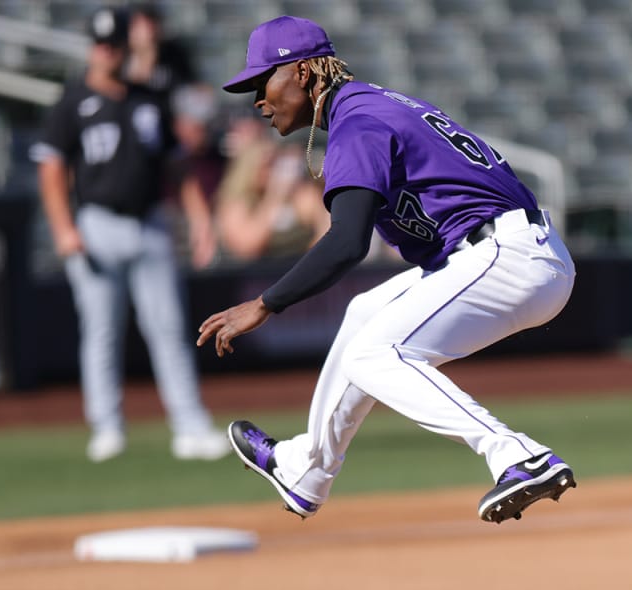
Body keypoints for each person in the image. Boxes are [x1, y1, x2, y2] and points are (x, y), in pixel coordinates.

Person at [197, 16, 577, 524]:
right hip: (510, 251)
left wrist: (265, 304)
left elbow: (346, 242)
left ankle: (517, 455)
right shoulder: (372, 105)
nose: (257, 99)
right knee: (363, 312)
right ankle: (306, 469)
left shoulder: (357, 122)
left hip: (504, 255)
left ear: (304, 72)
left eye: (263, 81)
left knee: (374, 355)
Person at [31, 6, 229, 463]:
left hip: (151, 222)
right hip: (97, 225)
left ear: (124, 47)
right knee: (101, 331)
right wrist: (63, 229)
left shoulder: (147, 98)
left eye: (113, 44)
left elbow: (178, 166)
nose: (107, 53)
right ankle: (106, 427)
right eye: (100, 45)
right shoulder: (72, 102)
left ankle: (190, 427)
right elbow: (52, 170)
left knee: (170, 329)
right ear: (91, 48)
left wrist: (199, 220)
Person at [213, 129, 332, 262]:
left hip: (294, 269)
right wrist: (274, 196)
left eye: (277, 162)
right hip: (251, 277)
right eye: (268, 165)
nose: (274, 170)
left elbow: (326, 233)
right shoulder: (236, 202)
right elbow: (248, 247)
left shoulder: (299, 196)